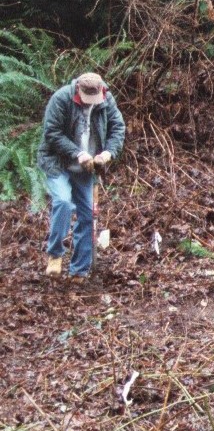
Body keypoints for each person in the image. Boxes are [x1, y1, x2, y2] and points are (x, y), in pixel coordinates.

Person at [39, 71, 125, 279]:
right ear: (78, 89)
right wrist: (77, 153)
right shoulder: (61, 99)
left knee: (88, 214)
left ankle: (79, 270)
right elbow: (52, 133)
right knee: (63, 202)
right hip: (58, 162)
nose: (90, 104)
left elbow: (118, 128)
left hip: (87, 168)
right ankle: (55, 254)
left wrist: (108, 153)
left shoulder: (106, 98)